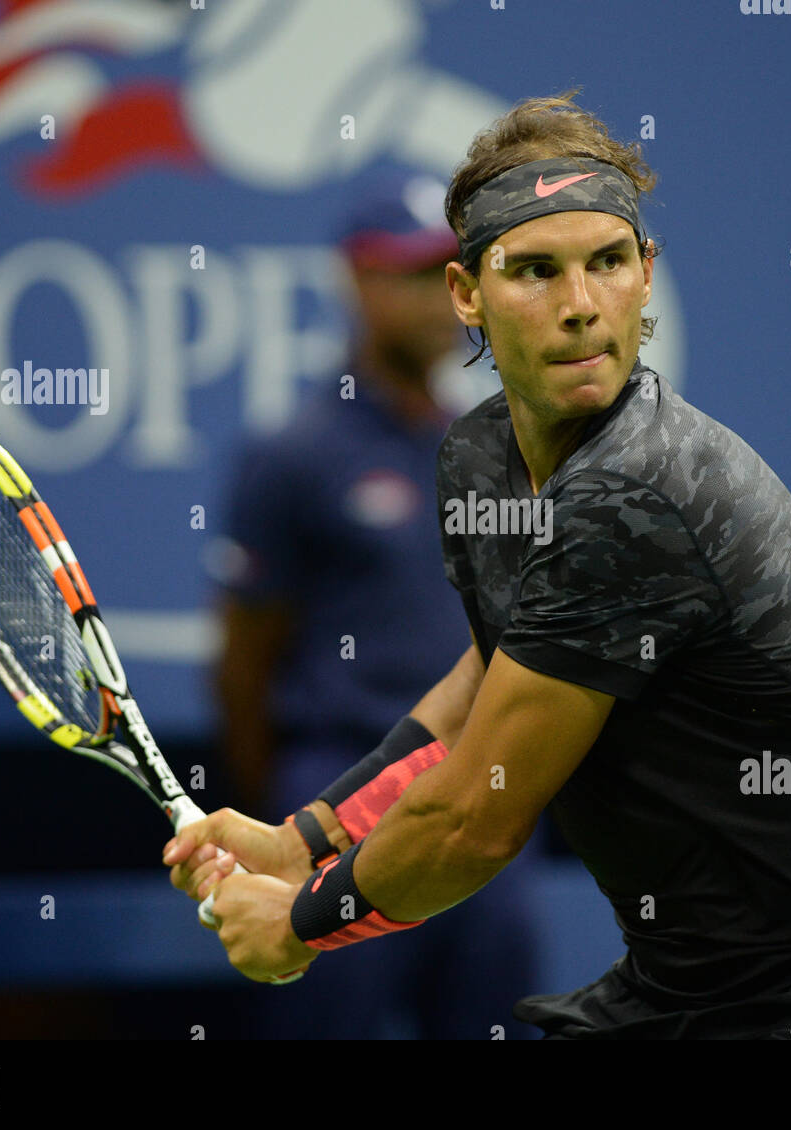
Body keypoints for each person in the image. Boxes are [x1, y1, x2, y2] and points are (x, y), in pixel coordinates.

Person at [170, 90, 791, 1040]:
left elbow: (474, 821)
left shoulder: (635, 493)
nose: (578, 308)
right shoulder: (485, 458)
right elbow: (489, 678)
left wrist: (301, 921)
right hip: (688, 988)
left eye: (607, 262)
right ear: (467, 293)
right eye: (534, 270)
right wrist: (301, 838)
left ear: (646, 276)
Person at [207, 165, 537, 1038]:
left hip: (477, 800)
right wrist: (295, 816)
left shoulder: (491, 449)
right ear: (355, 276)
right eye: (409, 270)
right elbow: (243, 667)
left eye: (446, 270)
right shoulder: (295, 454)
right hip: (332, 794)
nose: (437, 296)